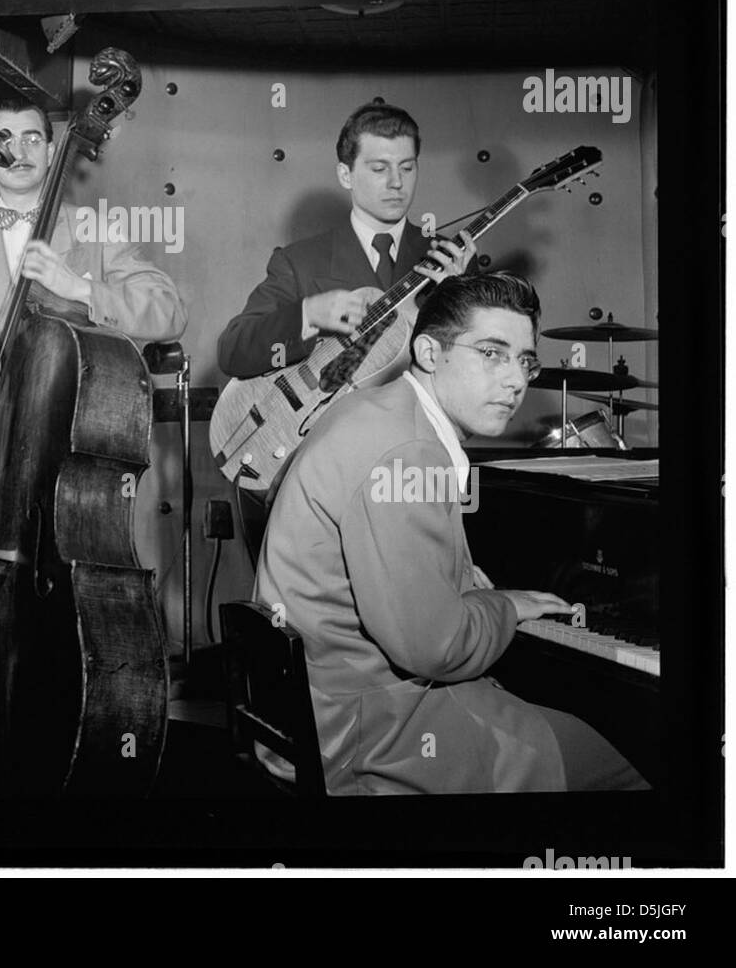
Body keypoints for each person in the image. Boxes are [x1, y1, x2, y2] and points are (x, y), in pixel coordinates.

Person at [254, 272, 649, 794]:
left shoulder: (377, 411)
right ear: (429, 352)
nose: (516, 380)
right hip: (365, 736)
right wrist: (505, 607)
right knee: (623, 767)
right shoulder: (407, 452)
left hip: (314, 706)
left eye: (524, 359)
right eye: (492, 352)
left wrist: (460, 586)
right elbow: (435, 649)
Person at [217, 102, 475, 381]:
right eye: (379, 168)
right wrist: (308, 314)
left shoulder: (451, 258)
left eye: (407, 167)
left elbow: (481, 365)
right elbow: (233, 351)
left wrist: (459, 304)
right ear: (345, 175)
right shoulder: (299, 262)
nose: (397, 182)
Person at [0, 98, 187, 382]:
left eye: (32, 139)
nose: (18, 151)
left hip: (65, 409)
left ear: (51, 152)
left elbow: (169, 312)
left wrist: (82, 289)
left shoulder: (97, 228)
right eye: (5, 140)